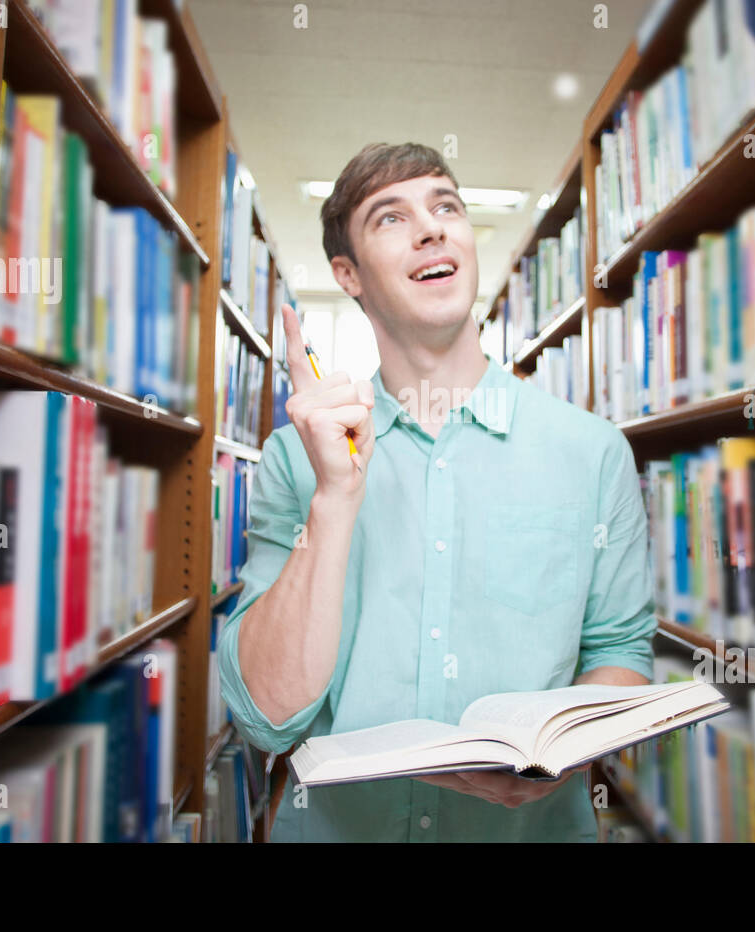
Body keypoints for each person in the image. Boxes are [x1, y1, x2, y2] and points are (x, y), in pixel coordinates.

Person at [217, 142, 655, 841]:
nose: (432, 227)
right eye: (391, 217)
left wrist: (553, 753)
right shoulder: (294, 460)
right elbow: (266, 716)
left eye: (446, 205)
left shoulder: (592, 452)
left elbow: (621, 653)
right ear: (348, 275)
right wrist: (333, 498)